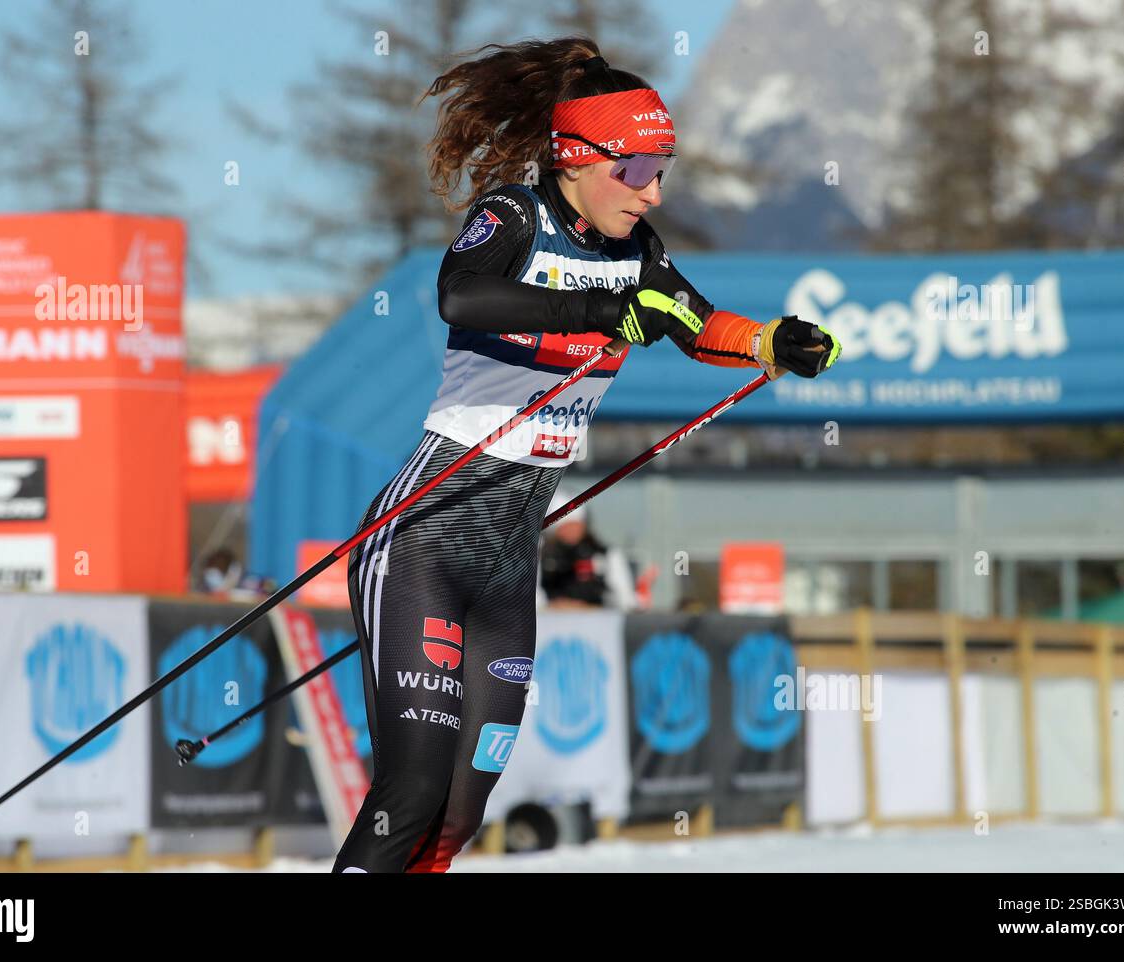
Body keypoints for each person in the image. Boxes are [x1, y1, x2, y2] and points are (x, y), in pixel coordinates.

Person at [332, 37, 841, 873]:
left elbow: (696, 325)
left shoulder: (637, 252)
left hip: (504, 569)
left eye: (663, 171)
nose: (653, 192)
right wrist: (602, 313)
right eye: (636, 171)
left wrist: (772, 341)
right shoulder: (512, 217)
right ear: (577, 158)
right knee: (412, 790)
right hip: (423, 538)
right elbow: (462, 293)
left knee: (460, 812)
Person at [539, 492, 635, 609]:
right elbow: (532, 598)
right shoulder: (538, 556)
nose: (572, 530)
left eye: (576, 524)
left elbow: (624, 599)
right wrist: (556, 606)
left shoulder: (606, 555)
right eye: (566, 526)